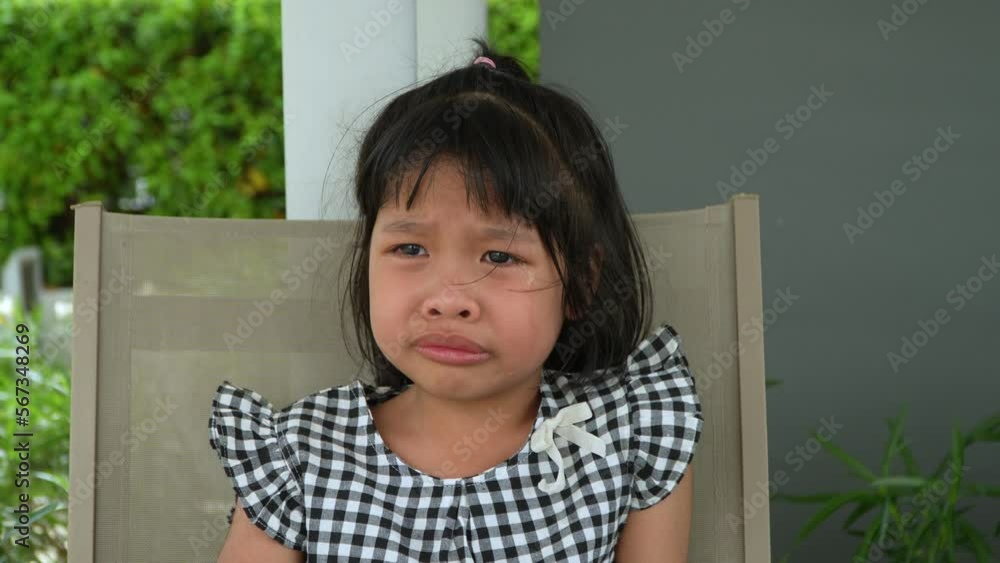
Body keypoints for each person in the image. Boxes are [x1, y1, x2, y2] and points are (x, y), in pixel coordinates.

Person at [208, 36, 704, 562]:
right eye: (411, 247)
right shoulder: (301, 456)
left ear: (580, 283)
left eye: (499, 257)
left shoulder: (626, 434)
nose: (448, 300)